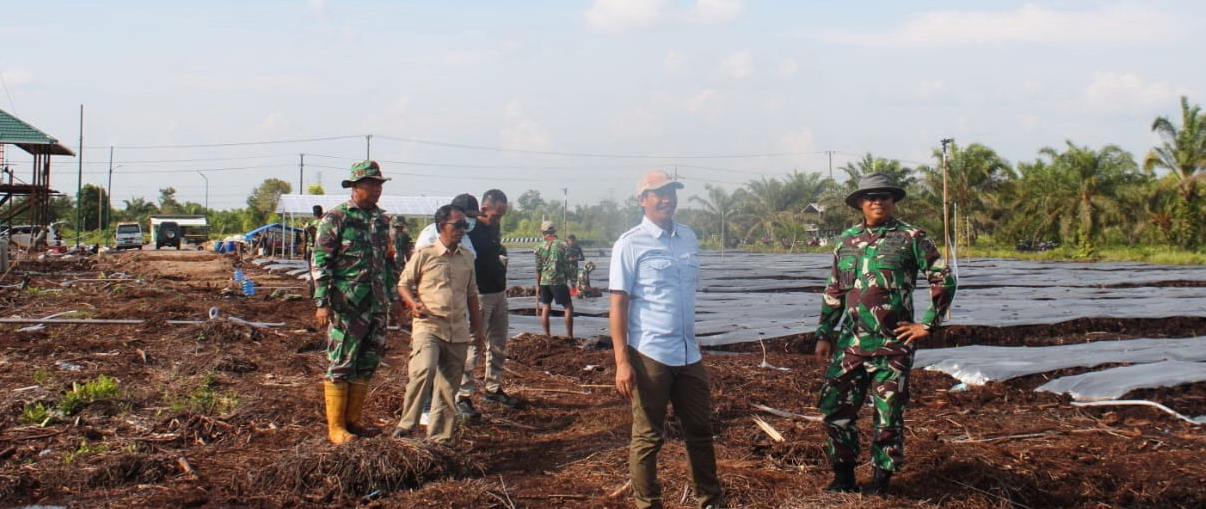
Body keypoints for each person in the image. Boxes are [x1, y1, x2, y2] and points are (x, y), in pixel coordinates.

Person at [813, 172, 957, 496]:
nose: (877, 202)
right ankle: (844, 476)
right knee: (836, 409)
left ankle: (881, 481)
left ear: (892, 201)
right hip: (850, 344)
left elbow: (943, 278)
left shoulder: (911, 237)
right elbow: (834, 289)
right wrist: (824, 333)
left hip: (892, 346)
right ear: (860, 204)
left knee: (887, 416)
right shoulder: (846, 241)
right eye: (870, 197)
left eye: (884, 196)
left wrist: (928, 324)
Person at [609, 170, 723, 509]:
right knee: (647, 438)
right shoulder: (630, 243)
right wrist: (621, 361)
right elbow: (618, 303)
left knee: (701, 432)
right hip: (650, 354)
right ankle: (648, 504)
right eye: (658, 193)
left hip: (688, 353)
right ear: (641, 200)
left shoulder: (688, 237)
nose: (667, 198)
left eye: (671, 191)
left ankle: (710, 501)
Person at [311, 161, 396, 445]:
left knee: (368, 360)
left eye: (379, 184)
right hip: (348, 303)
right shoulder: (337, 218)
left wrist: (392, 298)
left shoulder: (382, 221)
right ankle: (336, 428)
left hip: (376, 303)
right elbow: (321, 261)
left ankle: (352, 422)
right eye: (372, 184)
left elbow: (388, 262)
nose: (377, 189)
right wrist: (322, 301)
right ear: (356, 186)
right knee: (342, 361)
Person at [392, 204, 484, 443]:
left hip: (457, 330)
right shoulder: (425, 255)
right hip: (428, 325)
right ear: (442, 226)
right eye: (458, 225)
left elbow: (472, 294)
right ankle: (407, 426)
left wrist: (478, 327)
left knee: (448, 387)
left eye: (465, 225)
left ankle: (439, 438)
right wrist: (413, 304)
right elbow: (403, 284)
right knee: (424, 370)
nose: (462, 230)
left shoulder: (467, 258)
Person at [456, 189, 522, 421]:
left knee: (498, 343)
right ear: (483, 209)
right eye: (496, 215)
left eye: (502, 215)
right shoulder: (470, 229)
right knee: (474, 344)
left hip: (498, 292)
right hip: (480, 294)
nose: (498, 219)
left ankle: (493, 388)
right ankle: (462, 395)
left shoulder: (494, 227)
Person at [534, 220, 574, 338]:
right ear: (554, 231)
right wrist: (571, 282)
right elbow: (567, 266)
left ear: (543, 232)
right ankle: (569, 336)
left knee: (546, 306)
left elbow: (538, 268)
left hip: (544, 281)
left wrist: (538, 285)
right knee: (568, 307)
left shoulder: (538, 247)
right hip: (558, 280)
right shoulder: (563, 245)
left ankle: (547, 335)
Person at [413, 193, 478, 258]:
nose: (471, 219)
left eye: (474, 216)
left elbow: (471, 259)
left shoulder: (464, 236)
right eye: (469, 215)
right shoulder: (429, 236)